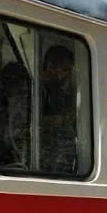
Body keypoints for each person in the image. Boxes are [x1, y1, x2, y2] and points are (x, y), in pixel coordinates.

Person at [39, 45, 78, 174]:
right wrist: (53, 121)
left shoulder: (60, 94)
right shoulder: (34, 90)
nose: (63, 75)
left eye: (67, 71)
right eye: (64, 69)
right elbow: (27, 121)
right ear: (50, 66)